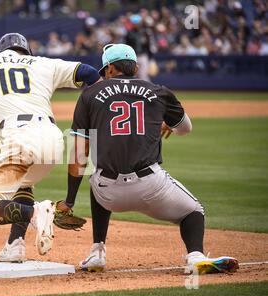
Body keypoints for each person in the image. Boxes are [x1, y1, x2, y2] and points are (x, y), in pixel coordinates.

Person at [56, 43, 239, 274]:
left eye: (104, 71)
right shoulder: (159, 91)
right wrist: (167, 125)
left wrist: (70, 201)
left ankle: (97, 254)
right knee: (194, 212)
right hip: (151, 186)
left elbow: (79, 154)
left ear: (110, 68)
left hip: (108, 192)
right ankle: (194, 256)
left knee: (97, 177)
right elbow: (185, 128)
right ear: (135, 67)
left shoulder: (90, 95)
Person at [0, 33, 99, 262]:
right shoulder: (44, 63)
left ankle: (38, 212)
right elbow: (89, 73)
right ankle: (16, 244)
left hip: (18, 136)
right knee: (24, 183)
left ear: (0, 51)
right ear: (26, 51)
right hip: (52, 139)